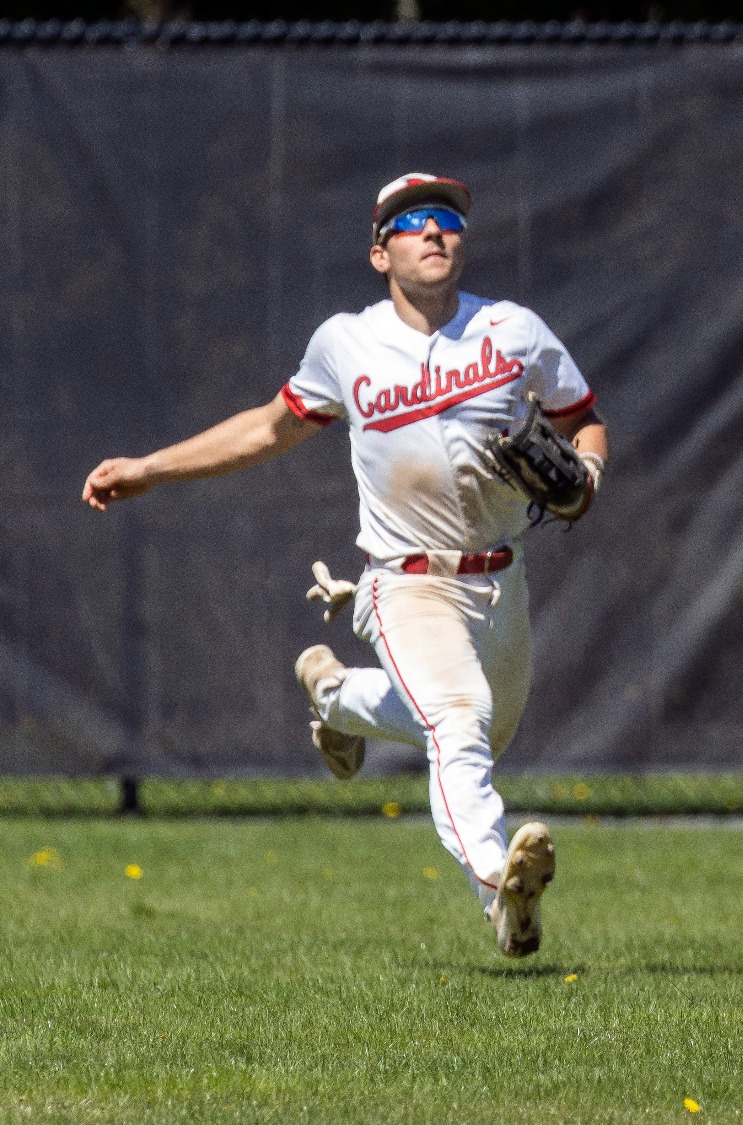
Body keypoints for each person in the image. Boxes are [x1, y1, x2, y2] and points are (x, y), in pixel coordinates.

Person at [81, 173, 607, 959]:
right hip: (405, 580)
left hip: (502, 579)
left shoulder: (513, 331)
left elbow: (583, 419)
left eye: (449, 221)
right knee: (458, 722)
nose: (435, 232)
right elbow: (266, 430)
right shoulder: (347, 343)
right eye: (414, 221)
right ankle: (501, 884)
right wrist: (152, 468)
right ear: (379, 252)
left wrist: (588, 474)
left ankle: (335, 696)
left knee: (472, 735)